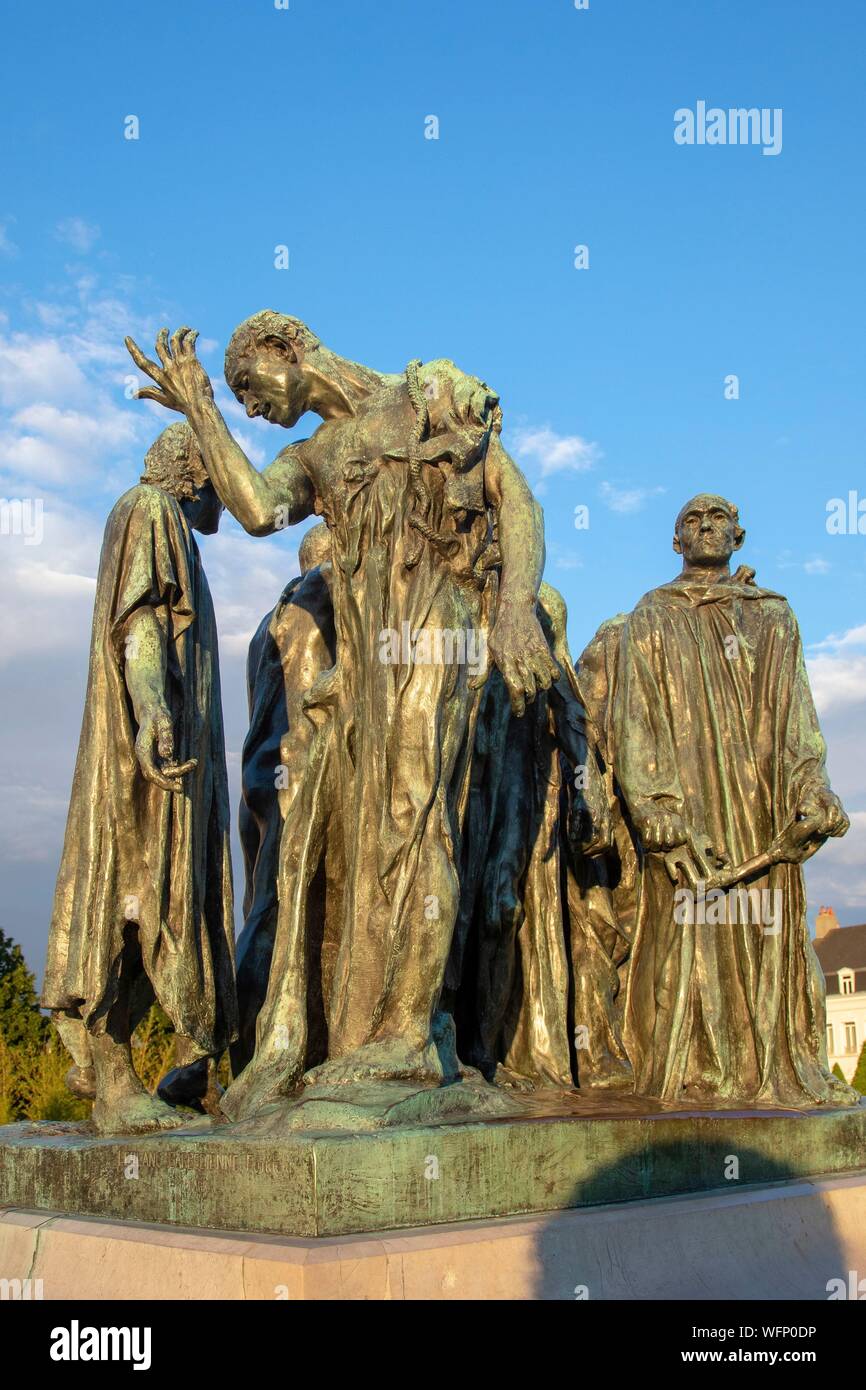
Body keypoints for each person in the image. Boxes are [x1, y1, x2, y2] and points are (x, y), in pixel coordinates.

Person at [126, 318, 558, 1115]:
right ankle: (364, 1034)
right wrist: (200, 410)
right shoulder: (315, 457)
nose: (253, 409)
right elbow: (255, 508)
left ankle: (410, 1038)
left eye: (252, 389)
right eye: (240, 403)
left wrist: (515, 608)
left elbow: (515, 497)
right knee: (358, 843)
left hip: (435, 631)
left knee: (414, 815)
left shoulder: (426, 393)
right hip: (364, 672)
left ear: (289, 351)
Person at [610, 493, 855, 1107]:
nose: (706, 527)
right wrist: (656, 812)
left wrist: (812, 787)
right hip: (689, 815)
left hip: (764, 811)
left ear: (738, 535)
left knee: (767, 936)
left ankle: (772, 1071)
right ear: (675, 542)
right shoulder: (652, 616)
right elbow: (634, 718)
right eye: (692, 521)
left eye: (718, 518)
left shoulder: (774, 616)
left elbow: (798, 716)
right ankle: (700, 1077)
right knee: (691, 949)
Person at [42, 422, 237, 1132]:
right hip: (147, 755)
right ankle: (114, 1077)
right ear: (195, 474)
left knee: (157, 891)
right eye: (219, 472)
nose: (227, 492)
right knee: (139, 889)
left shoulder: (165, 526)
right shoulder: (152, 510)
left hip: (160, 745)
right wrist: (153, 706)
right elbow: (142, 622)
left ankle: (160, 1072)